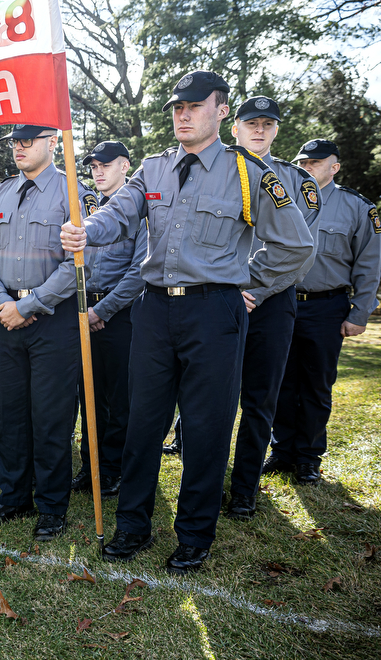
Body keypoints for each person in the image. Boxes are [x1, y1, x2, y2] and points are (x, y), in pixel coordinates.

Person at [59, 70, 313, 574]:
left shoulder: (249, 172)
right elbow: (120, 212)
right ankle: (133, 525)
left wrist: (250, 286)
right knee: (141, 424)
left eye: (195, 106)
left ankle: (194, 534)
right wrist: (86, 230)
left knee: (206, 427)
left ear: (222, 111)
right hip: (153, 311)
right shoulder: (153, 168)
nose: (183, 114)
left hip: (214, 312)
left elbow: (297, 246)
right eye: (177, 106)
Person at [0, 125, 97, 540]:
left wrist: (27, 305)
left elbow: (78, 262)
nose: (20, 148)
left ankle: (52, 505)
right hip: (4, 317)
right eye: (15, 142)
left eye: (29, 140)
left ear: (52, 142)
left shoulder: (74, 194)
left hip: (53, 320)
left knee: (51, 417)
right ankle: (13, 497)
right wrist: (1, 303)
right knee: (10, 414)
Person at [224, 97, 322, 518]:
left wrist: (254, 289)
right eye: (251, 123)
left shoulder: (299, 183)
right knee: (206, 394)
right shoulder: (212, 167)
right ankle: (202, 478)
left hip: (270, 298)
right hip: (218, 296)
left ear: (277, 130)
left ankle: (244, 487)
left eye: (267, 123)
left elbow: (298, 250)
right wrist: (232, 287)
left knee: (260, 397)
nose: (259, 130)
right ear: (235, 128)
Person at [268, 139, 381, 485]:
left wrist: (360, 312)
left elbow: (369, 263)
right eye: (303, 161)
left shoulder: (357, 208)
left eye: (317, 162)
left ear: (335, 167)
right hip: (282, 302)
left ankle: (308, 458)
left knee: (316, 385)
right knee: (280, 383)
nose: (308, 167)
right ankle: (282, 450)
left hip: (326, 306)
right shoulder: (280, 198)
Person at [72, 140, 146, 501]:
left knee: (121, 400)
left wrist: (102, 311)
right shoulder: (88, 214)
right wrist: (84, 309)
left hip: (122, 317)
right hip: (85, 314)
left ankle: (115, 470)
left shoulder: (142, 212)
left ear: (125, 166)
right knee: (90, 396)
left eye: (106, 164)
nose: (98, 171)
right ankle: (91, 468)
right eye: (93, 166)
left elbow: (139, 272)